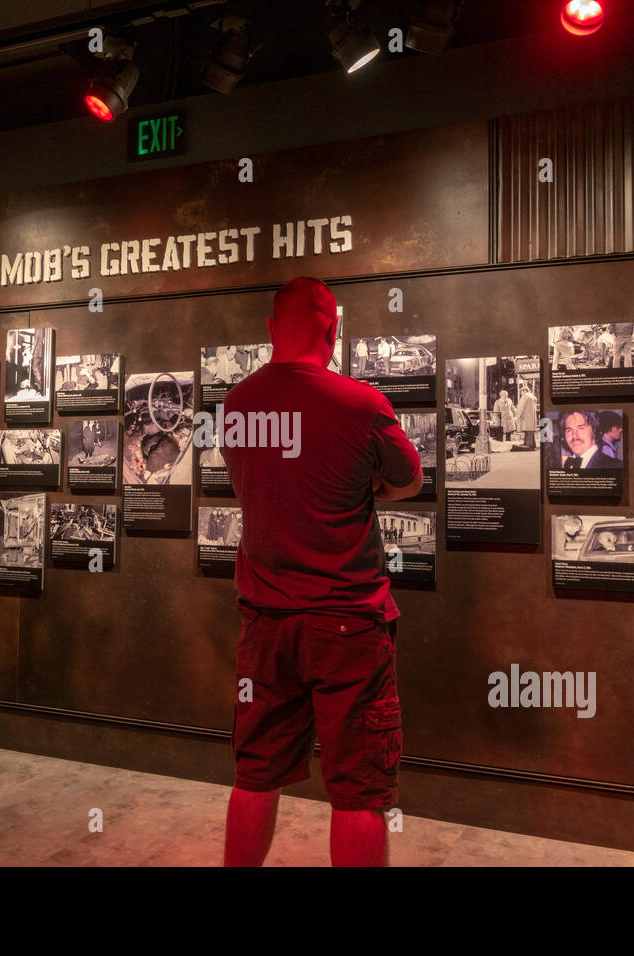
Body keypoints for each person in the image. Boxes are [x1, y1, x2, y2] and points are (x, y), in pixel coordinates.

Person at [221, 277, 422, 867]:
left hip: (265, 623)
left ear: (270, 330)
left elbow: (253, 488)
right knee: (358, 789)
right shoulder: (361, 404)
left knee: (255, 773)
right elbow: (409, 481)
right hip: (348, 624)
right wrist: (365, 488)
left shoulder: (236, 407)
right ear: (333, 331)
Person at [515, 384, 538, 450]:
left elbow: (521, 407)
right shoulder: (532, 396)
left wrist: (517, 415)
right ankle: (533, 444)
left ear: (524, 391)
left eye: (521, 391)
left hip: (526, 417)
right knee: (531, 431)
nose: (521, 393)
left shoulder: (525, 396)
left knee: (528, 431)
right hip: (532, 417)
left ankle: (528, 445)